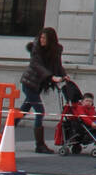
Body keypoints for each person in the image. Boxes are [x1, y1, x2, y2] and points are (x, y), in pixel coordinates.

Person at [19, 27, 69, 155]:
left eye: (44, 38)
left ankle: (6, 132)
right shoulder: (36, 48)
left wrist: (64, 75)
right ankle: (39, 145)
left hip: (38, 84)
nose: (41, 40)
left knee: (23, 110)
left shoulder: (57, 49)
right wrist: (51, 77)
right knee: (40, 112)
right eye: (41, 37)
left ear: (51, 40)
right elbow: (37, 66)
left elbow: (57, 64)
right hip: (29, 83)